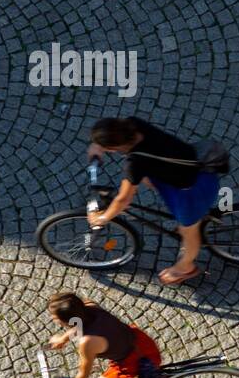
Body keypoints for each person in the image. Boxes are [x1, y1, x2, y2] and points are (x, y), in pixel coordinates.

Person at [86, 117, 220, 284]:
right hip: (189, 166)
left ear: (112, 149)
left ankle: (186, 267)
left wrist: (102, 218)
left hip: (194, 189)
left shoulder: (135, 163)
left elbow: (123, 200)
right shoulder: (134, 123)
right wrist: (99, 145)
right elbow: (117, 134)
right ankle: (193, 219)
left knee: (189, 231)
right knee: (148, 179)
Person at [47, 292, 162, 378]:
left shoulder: (88, 342)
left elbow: (83, 373)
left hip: (134, 364)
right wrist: (64, 338)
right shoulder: (90, 306)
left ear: (66, 320)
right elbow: (79, 323)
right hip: (141, 344)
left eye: (55, 317)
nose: (53, 318)